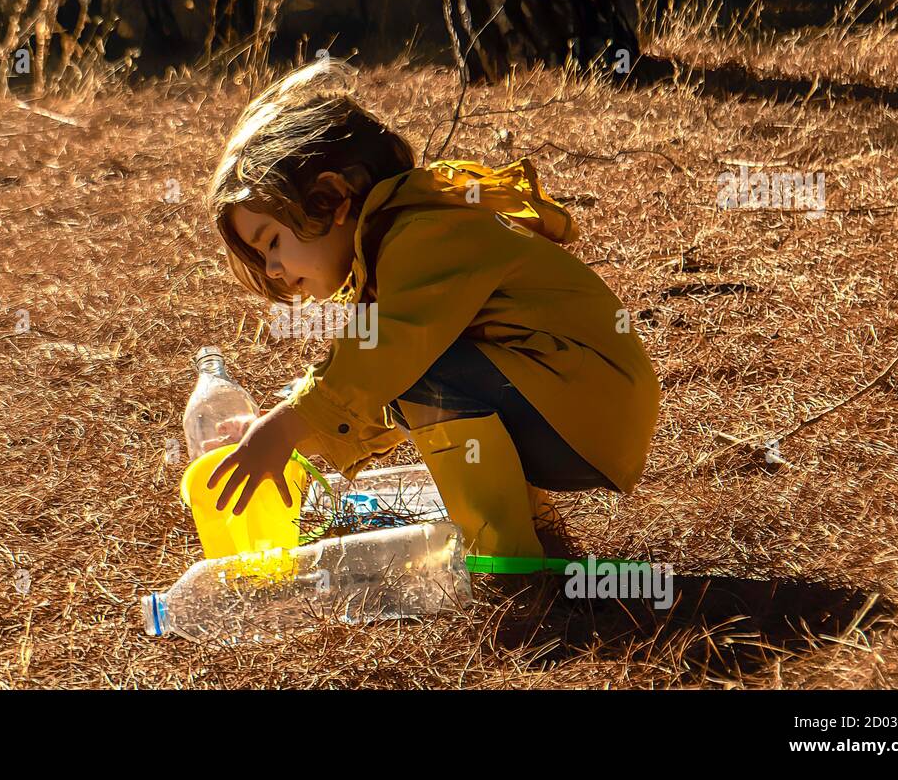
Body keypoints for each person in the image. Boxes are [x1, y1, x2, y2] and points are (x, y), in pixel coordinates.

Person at [203, 57, 659, 560]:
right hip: (578, 404)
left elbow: (390, 364)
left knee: (423, 368)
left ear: (331, 198)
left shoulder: (419, 236)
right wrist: (288, 430)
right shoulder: (390, 253)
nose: (271, 269)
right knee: (426, 371)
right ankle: (533, 528)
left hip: (590, 404)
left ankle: (506, 560)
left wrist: (289, 423)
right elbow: (379, 395)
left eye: (270, 242)